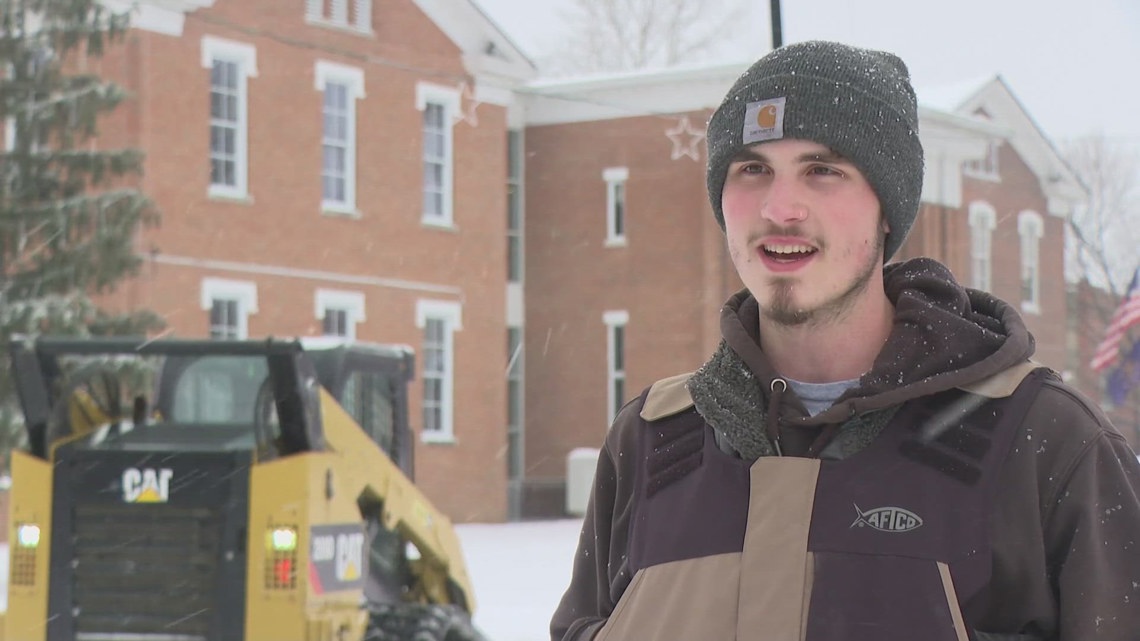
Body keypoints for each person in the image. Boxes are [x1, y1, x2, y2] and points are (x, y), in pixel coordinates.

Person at [549, 40, 1140, 641]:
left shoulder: (1043, 442)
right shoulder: (651, 441)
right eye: (752, 168)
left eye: (822, 170)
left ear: (887, 208)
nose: (781, 207)